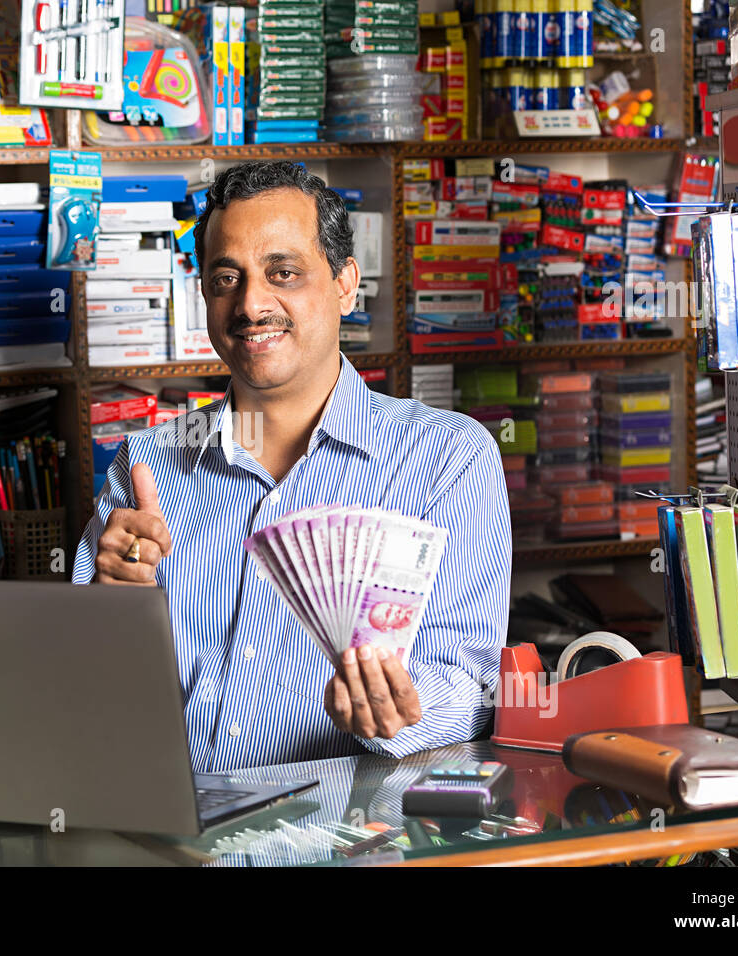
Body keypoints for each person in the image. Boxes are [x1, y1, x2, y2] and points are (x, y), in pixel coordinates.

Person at [73, 161, 511, 772]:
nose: (251, 304)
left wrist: (400, 708)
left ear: (345, 284)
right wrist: (110, 612)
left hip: (350, 822)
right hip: (171, 818)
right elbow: (83, 685)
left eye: (283, 272)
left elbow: (475, 688)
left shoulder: (448, 458)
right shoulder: (148, 463)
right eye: (227, 278)